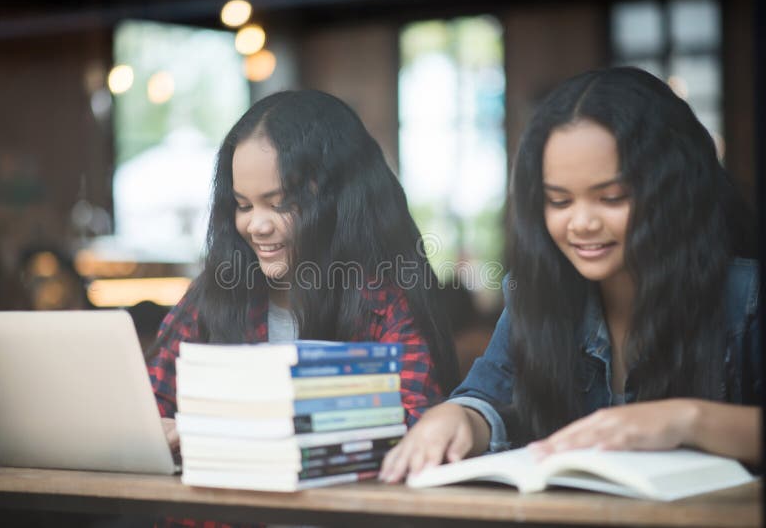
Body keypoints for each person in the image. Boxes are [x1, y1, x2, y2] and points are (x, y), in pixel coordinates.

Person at [380, 66, 760, 483]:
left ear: (673, 190)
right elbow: (488, 395)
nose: (581, 223)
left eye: (611, 198)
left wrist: (688, 420)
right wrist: (460, 418)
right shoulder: (537, 295)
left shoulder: (746, 298)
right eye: (559, 202)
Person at [147, 90, 460, 519]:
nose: (256, 225)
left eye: (280, 204)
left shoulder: (386, 304)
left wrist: (211, 433)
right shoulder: (213, 297)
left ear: (337, 199)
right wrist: (154, 432)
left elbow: (407, 439)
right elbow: (149, 412)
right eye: (242, 206)